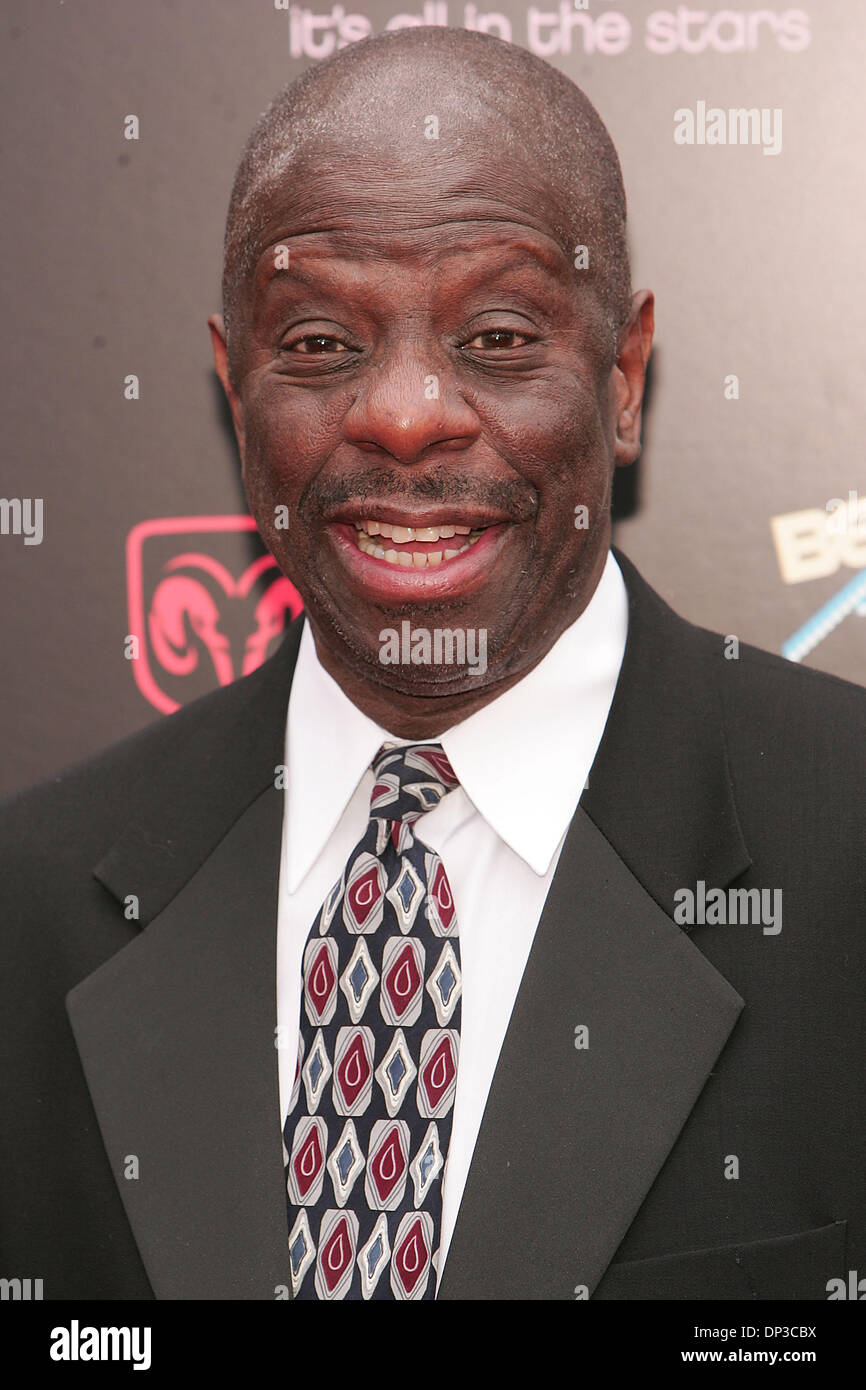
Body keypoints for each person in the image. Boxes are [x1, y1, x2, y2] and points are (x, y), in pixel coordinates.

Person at [1, 24, 863, 1302]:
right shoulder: (34, 901)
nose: (404, 413)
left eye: (500, 338)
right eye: (319, 345)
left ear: (622, 377)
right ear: (233, 384)